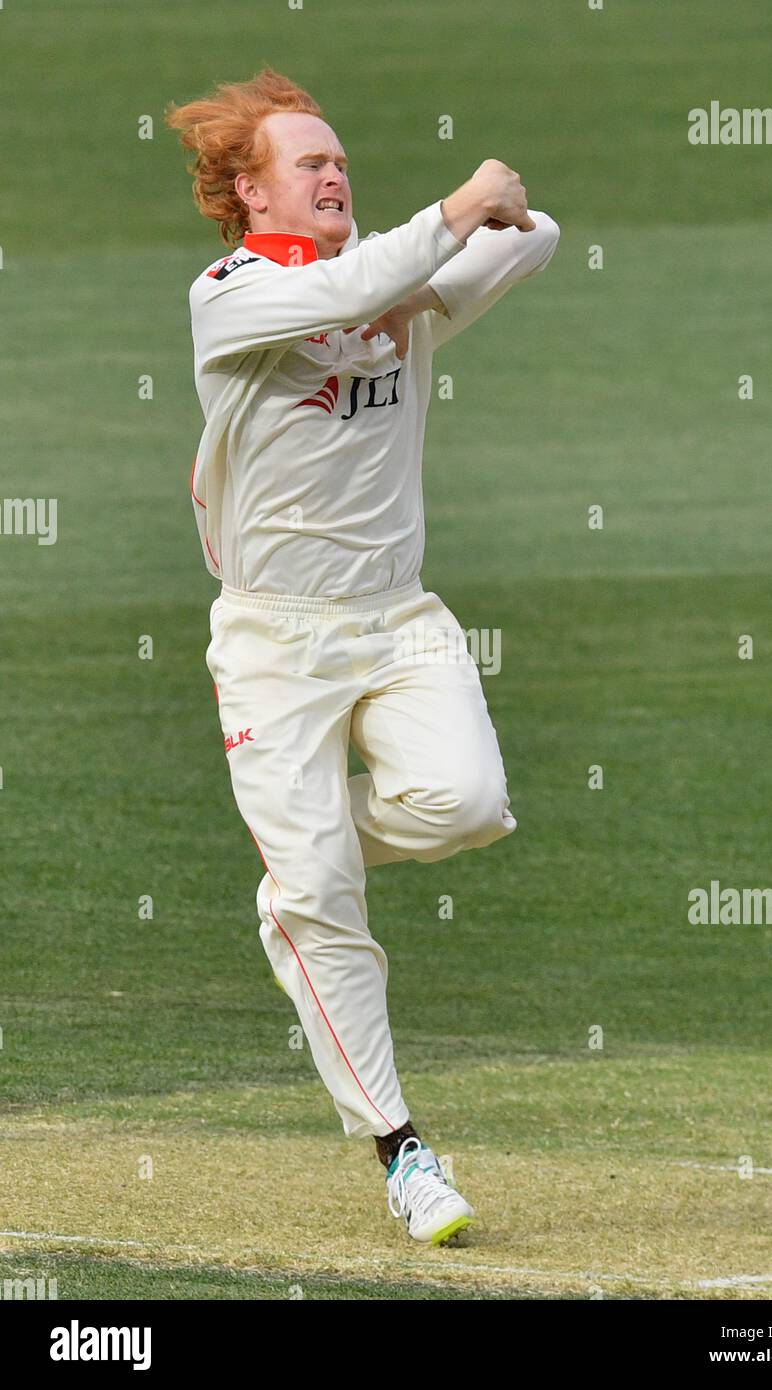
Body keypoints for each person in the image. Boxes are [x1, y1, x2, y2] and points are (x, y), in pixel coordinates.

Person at [166, 68, 559, 1246]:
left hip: (396, 617)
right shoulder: (226, 296)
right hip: (275, 642)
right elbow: (356, 281)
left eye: (342, 160)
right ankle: (402, 1150)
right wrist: (451, 214)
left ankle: (300, 863)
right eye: (308, 164)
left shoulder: (398, 280)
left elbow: (538, 237)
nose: (334, 174)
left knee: (470, 803)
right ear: (251, 192)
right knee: (327, 901)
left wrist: (488, 224)